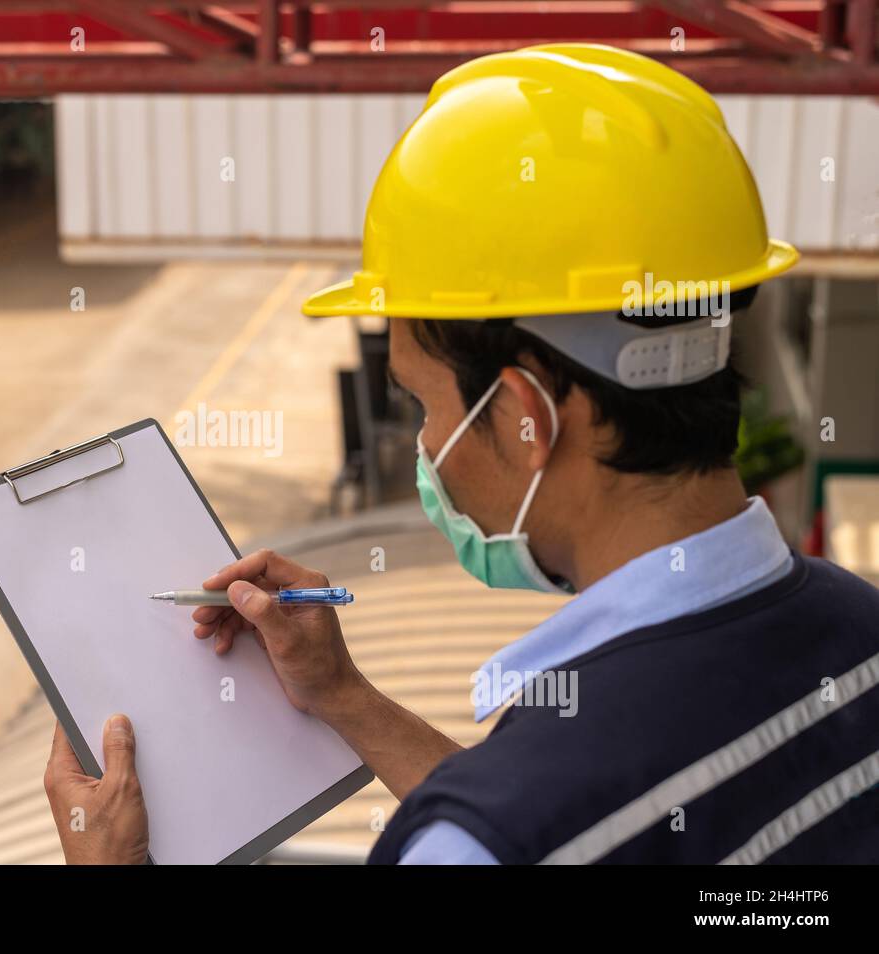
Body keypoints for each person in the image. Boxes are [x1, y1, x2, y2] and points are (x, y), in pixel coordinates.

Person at [43, 43, 879, 864]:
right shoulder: (860, 631)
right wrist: (344, 698)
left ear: (524, 416)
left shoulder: (498, 828)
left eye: (423, 401)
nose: (425, 448)